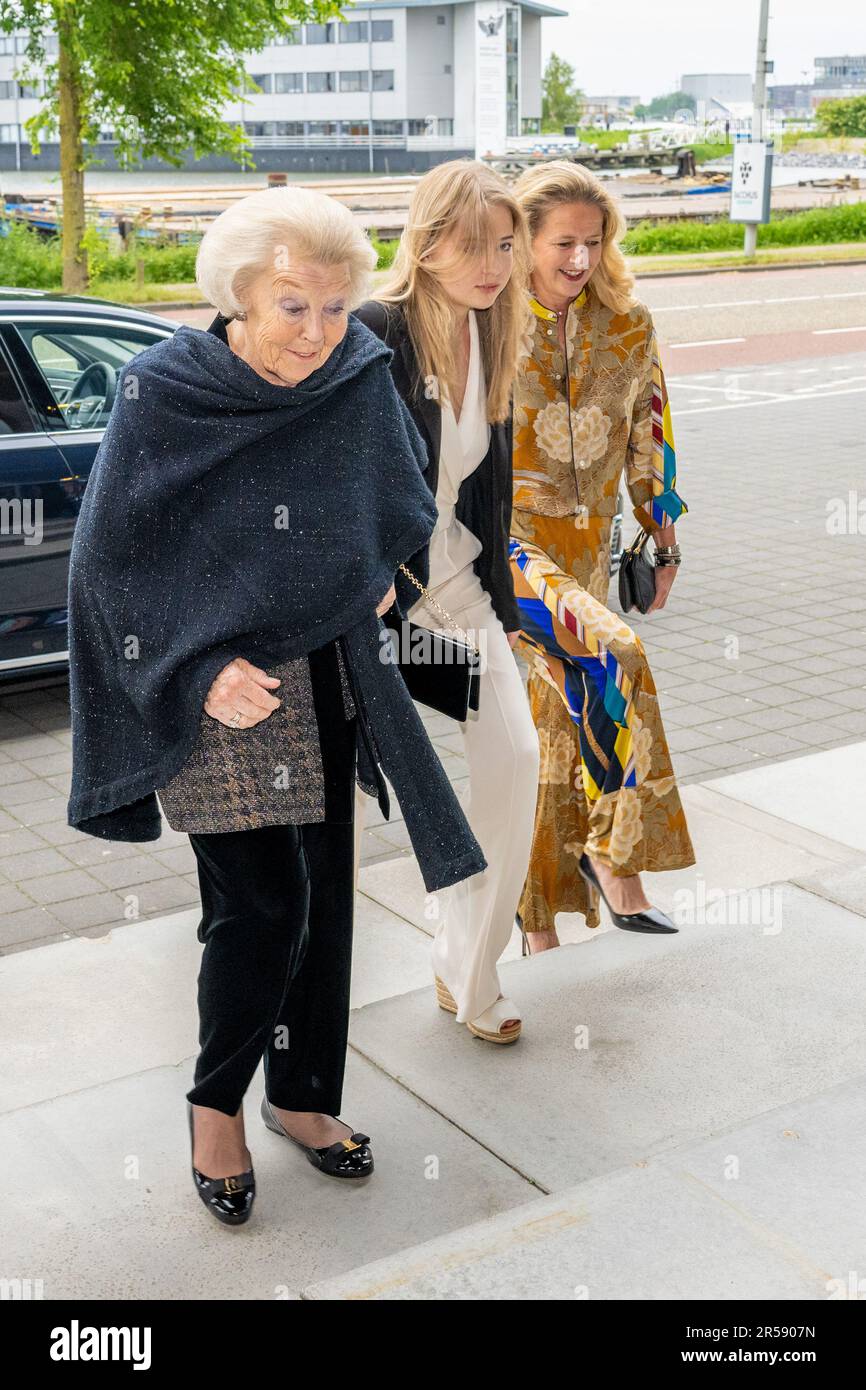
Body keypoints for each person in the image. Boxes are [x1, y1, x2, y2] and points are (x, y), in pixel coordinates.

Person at [66, 186, 486, 1227]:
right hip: (220, 693)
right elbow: (110, 565)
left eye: (337, 306)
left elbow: (395, 486)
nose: (319, 332)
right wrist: (197, 668)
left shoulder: (352, 371)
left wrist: (377, 563)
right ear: (236, 296)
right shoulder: (163, 391)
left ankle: (300, 1095)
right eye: (292, 306)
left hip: (330, 670)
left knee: (326, 900)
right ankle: (217, 1107)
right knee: (262, 909)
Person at [354, 160, 540, 1044]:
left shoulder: (496, 330)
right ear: (427, 244)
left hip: (459, 592)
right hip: (392, 611)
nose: (493, 263)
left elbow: (486, 491)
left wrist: (505, 602)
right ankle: (463, 967)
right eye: (471, 245)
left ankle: (466, 964)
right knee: (383, 796)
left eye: (505, 244)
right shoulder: (376, 331)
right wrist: (365, 575)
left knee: (517, 762)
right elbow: (339, 470)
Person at [509, 161, 697, 950]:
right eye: (563, 243)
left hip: (589, 549)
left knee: (552, 736)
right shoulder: (486, 320)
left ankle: (540, 930)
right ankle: (618, 865)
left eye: (593, 242)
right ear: (523, 239)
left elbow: (649, 433)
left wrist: (663, 536)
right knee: (613, 660)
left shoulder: (630, 322)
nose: (579, 260)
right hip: (507, 548)